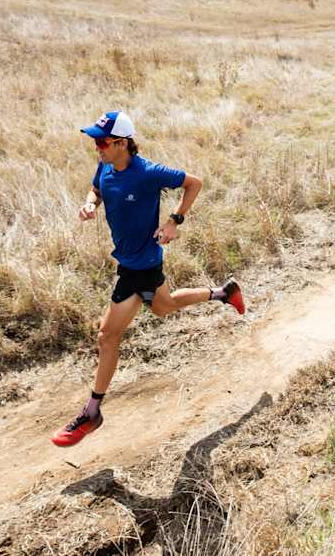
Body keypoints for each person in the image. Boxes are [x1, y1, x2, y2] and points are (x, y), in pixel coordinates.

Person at [52, 110, 245, 447]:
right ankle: (224, 293)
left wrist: (174, 221)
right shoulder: (106, 167)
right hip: (134, 261)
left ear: (122, 143)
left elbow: (194, 182)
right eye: (95, 141)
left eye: (102, 141)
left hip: (139, 265)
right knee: (164, 306)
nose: (97, 147)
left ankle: (92, 410)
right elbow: (96, 189)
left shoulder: (148, 173)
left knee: (107, 337)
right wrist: (89, 204)